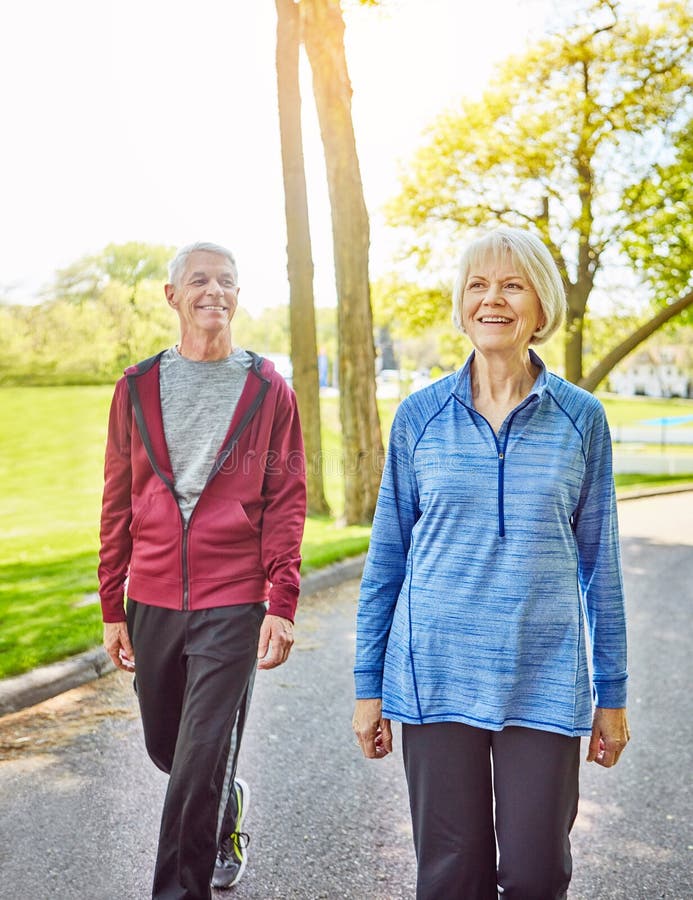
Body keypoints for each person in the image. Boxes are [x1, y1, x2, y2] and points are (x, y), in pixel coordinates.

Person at [352, 226, 630, 899]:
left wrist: (612, 695)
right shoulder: (419, 417)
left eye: (511, 284)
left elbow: (602, 566)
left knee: (537, 874)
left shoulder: (580, 419)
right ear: (460, 303)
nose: (491, 300)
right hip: (433, 675)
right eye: (476, 285)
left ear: (540, 305)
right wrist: (367, 685)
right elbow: (386, 556)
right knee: (451, 875)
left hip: (544, 675)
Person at [98, 241, 306, 899]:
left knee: (195, 765)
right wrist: (112, 603)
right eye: (198, 280)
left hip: (234, 598)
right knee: (170, 751)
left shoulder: (268, 389)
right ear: (172, 295)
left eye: (226, 281)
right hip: (153, 597)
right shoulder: (136, 387)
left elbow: (285, 496)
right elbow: (116, 497)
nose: (213, 291)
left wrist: (281, 597)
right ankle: (225, 805)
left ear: (238, 296)